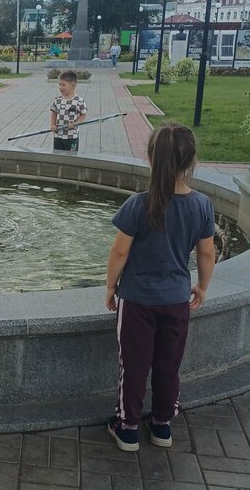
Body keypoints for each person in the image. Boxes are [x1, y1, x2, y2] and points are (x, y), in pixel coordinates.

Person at [104, 123, 216, 452]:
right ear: (192, 161)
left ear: (151, 159)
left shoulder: (139, 204)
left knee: (134, 364)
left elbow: (119, 251)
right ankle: (162, 425)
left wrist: (111, 286)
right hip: (177, 300)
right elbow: (206, 252)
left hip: (137, 301)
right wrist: (202, 287)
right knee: (169, 363)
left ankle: (126, 427)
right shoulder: (201, 205)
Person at [49, 70, 87, 151]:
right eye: (59, 85)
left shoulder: (79, 101)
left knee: (71, 158)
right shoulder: (57, 100)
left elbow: (83, 115)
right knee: (57, 156)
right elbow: (54, 113)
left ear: (73, 85)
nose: (60, 87)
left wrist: (75, 123)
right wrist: (53, 125)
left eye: (63, 85)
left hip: (72, 137)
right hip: (58, 135)